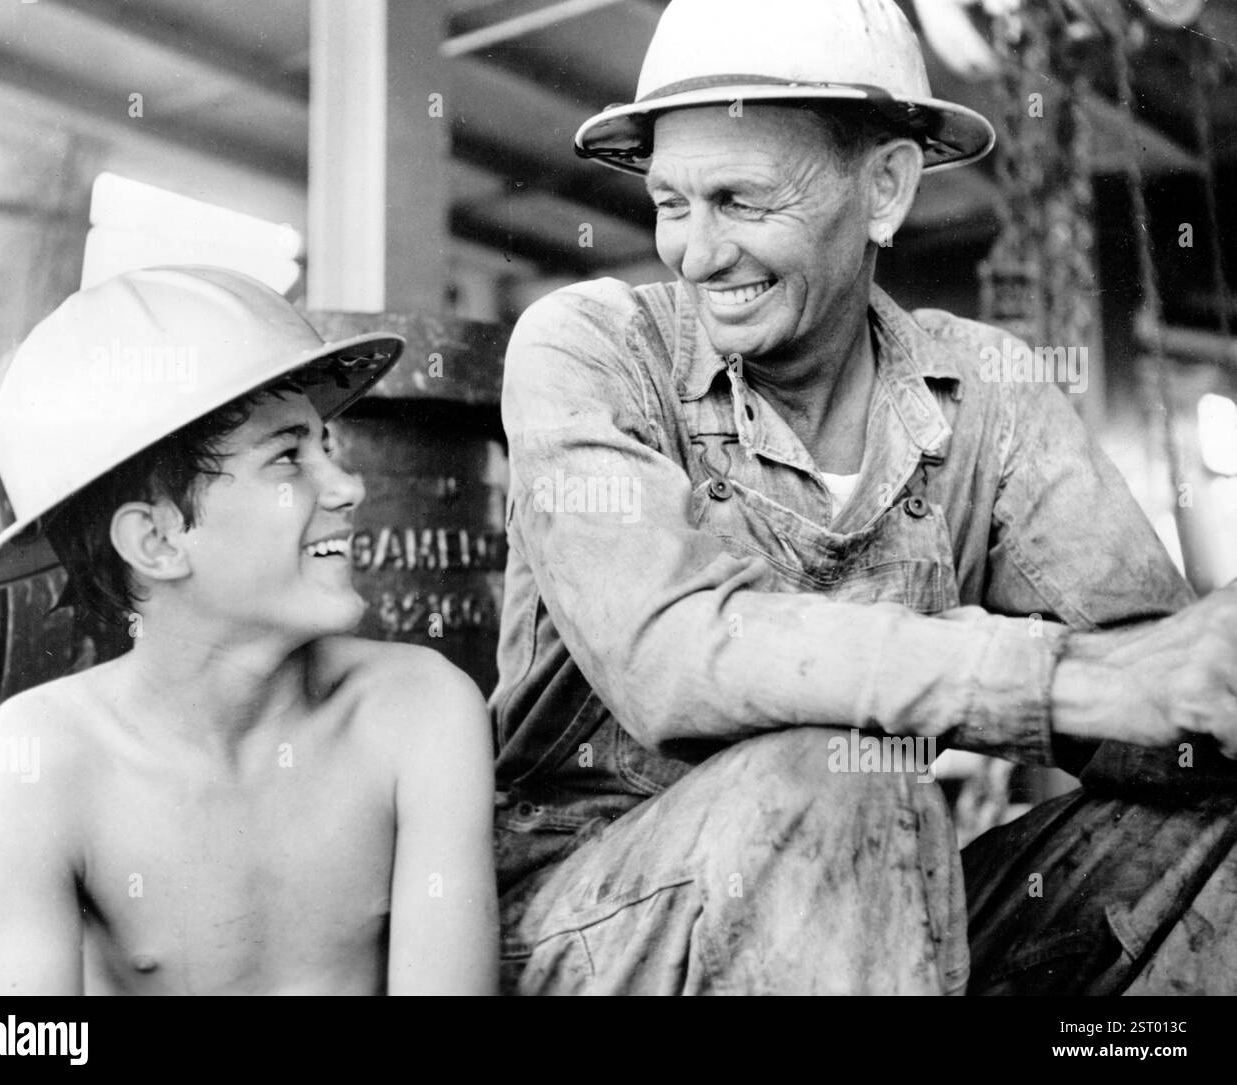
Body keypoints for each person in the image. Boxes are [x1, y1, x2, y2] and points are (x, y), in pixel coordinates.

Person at [490, 0, 1237, 994]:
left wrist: (1204, 694)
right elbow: (667, 652)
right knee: (831, 776)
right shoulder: (589, 347)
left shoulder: (989, 391)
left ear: (884, 186)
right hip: (605, 921)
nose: (696, 253)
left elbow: (1167, 692)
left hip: (871, 909)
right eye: (673, 203)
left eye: (741, 201)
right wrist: (1067, 682)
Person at [0, 266, 498, 995]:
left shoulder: (422, 713)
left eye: (326, 445)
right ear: (158, 540)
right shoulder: (30, 771)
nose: (347, 486)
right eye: (286, 458)